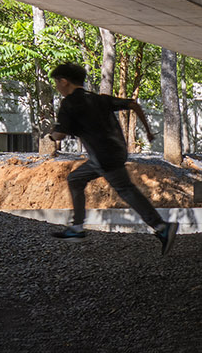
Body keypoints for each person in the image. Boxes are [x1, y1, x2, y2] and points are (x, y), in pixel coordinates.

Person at [48, 60, 178, 254]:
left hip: (102, 157)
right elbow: (133, 104)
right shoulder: (99, 99)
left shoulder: (69, 103)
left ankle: (161, 227)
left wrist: (51, 135)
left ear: (64, 81)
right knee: (75, 179)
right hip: (116, 152)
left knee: (126, 190)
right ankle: (76, 228)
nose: (57, 87)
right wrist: (148, 131)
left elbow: (59, 135)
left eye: (57, 82)